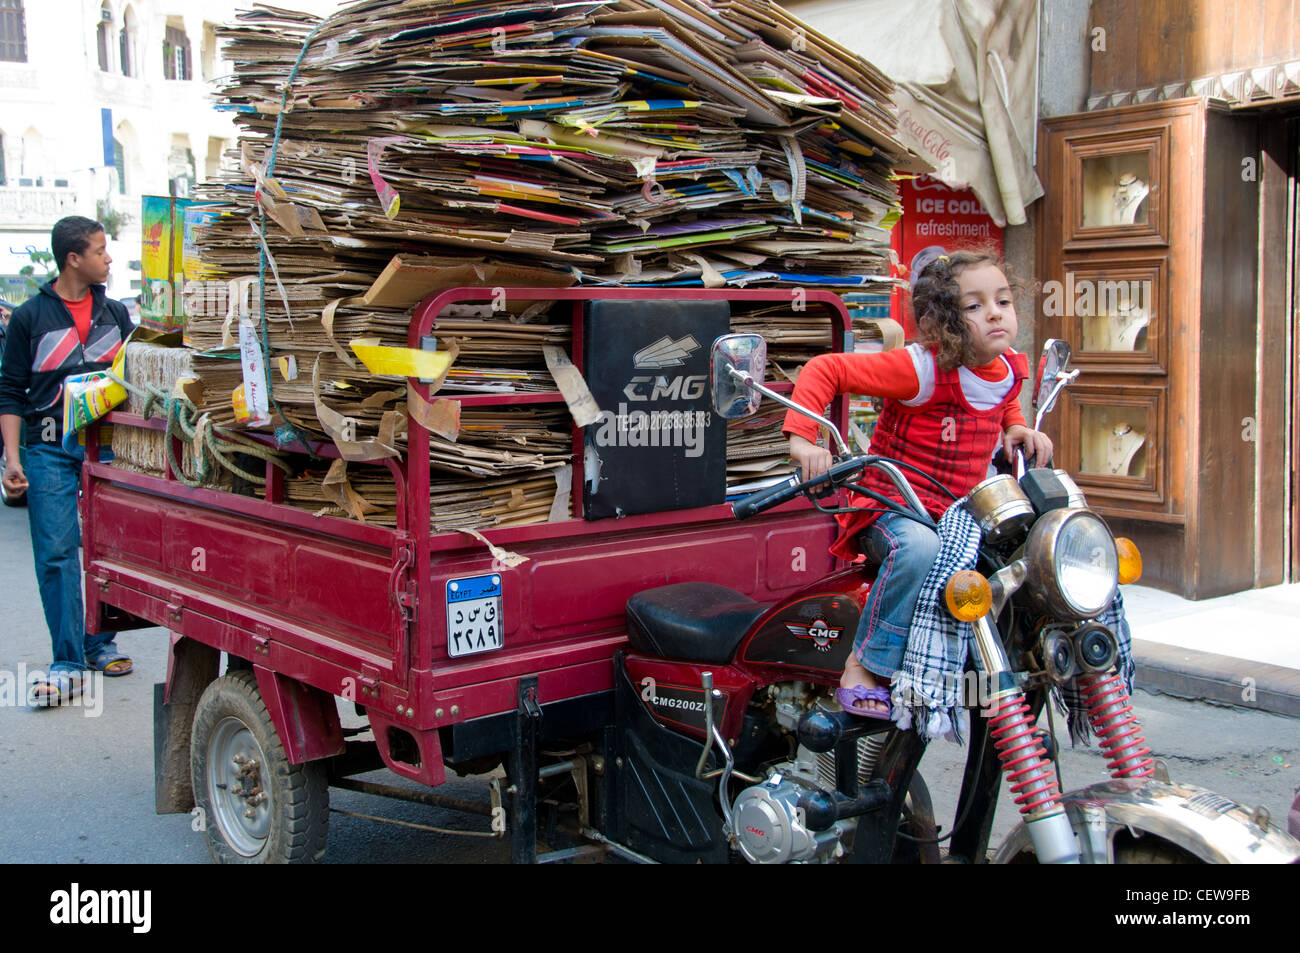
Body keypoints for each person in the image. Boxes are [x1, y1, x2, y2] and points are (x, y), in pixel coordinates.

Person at [783, 247, 1052, 717]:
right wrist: (804, 439)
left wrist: (1015, 426)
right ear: (944, 322)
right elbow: (827, 369)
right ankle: (864, 665)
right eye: (974, 306)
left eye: (1003, 301)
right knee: (920, 549)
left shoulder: (1008, 365)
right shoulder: (920, 368)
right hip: (891, 508)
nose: (994, 313)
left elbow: (1001, 396)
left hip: (958, 515)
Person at [0, 216, 135, 706]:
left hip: (106, 451)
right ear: (73, 259)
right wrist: (12, 460)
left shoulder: (116, 315)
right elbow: (10, 393)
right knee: (57, 553)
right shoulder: (29, 318)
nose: (109, 258)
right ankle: (67, 658)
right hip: (48, 450)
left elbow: (132, 381)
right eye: (101, 251)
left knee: (104, 550)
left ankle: (99, 643)